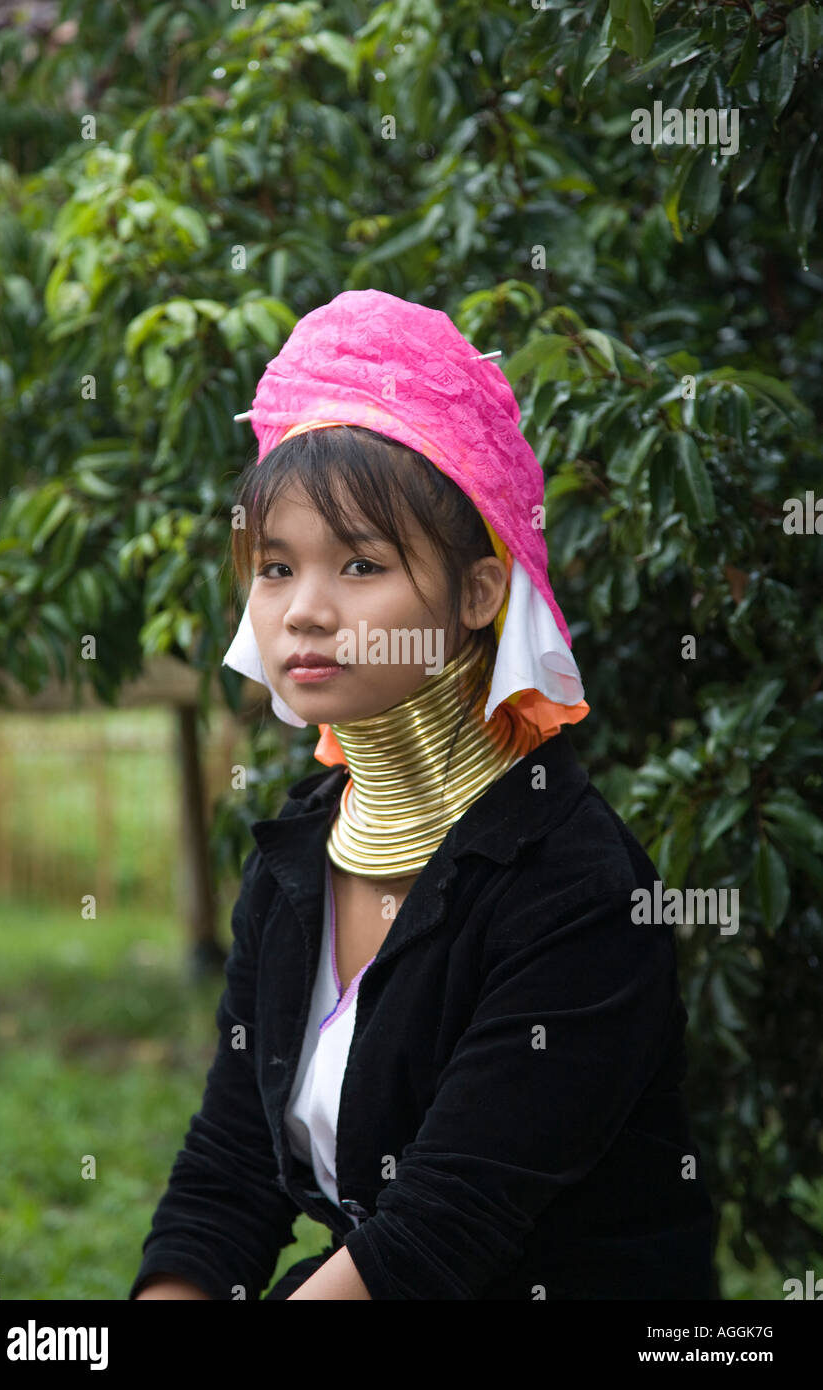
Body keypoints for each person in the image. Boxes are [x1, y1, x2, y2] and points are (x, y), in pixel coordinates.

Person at [130, 289, 715, 1301]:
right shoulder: (294, 860)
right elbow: (226, 1175)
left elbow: (437, 1236)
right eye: (275, 566)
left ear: (479, 592)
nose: (303, 609)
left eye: (359, 562)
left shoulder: (574, 889)